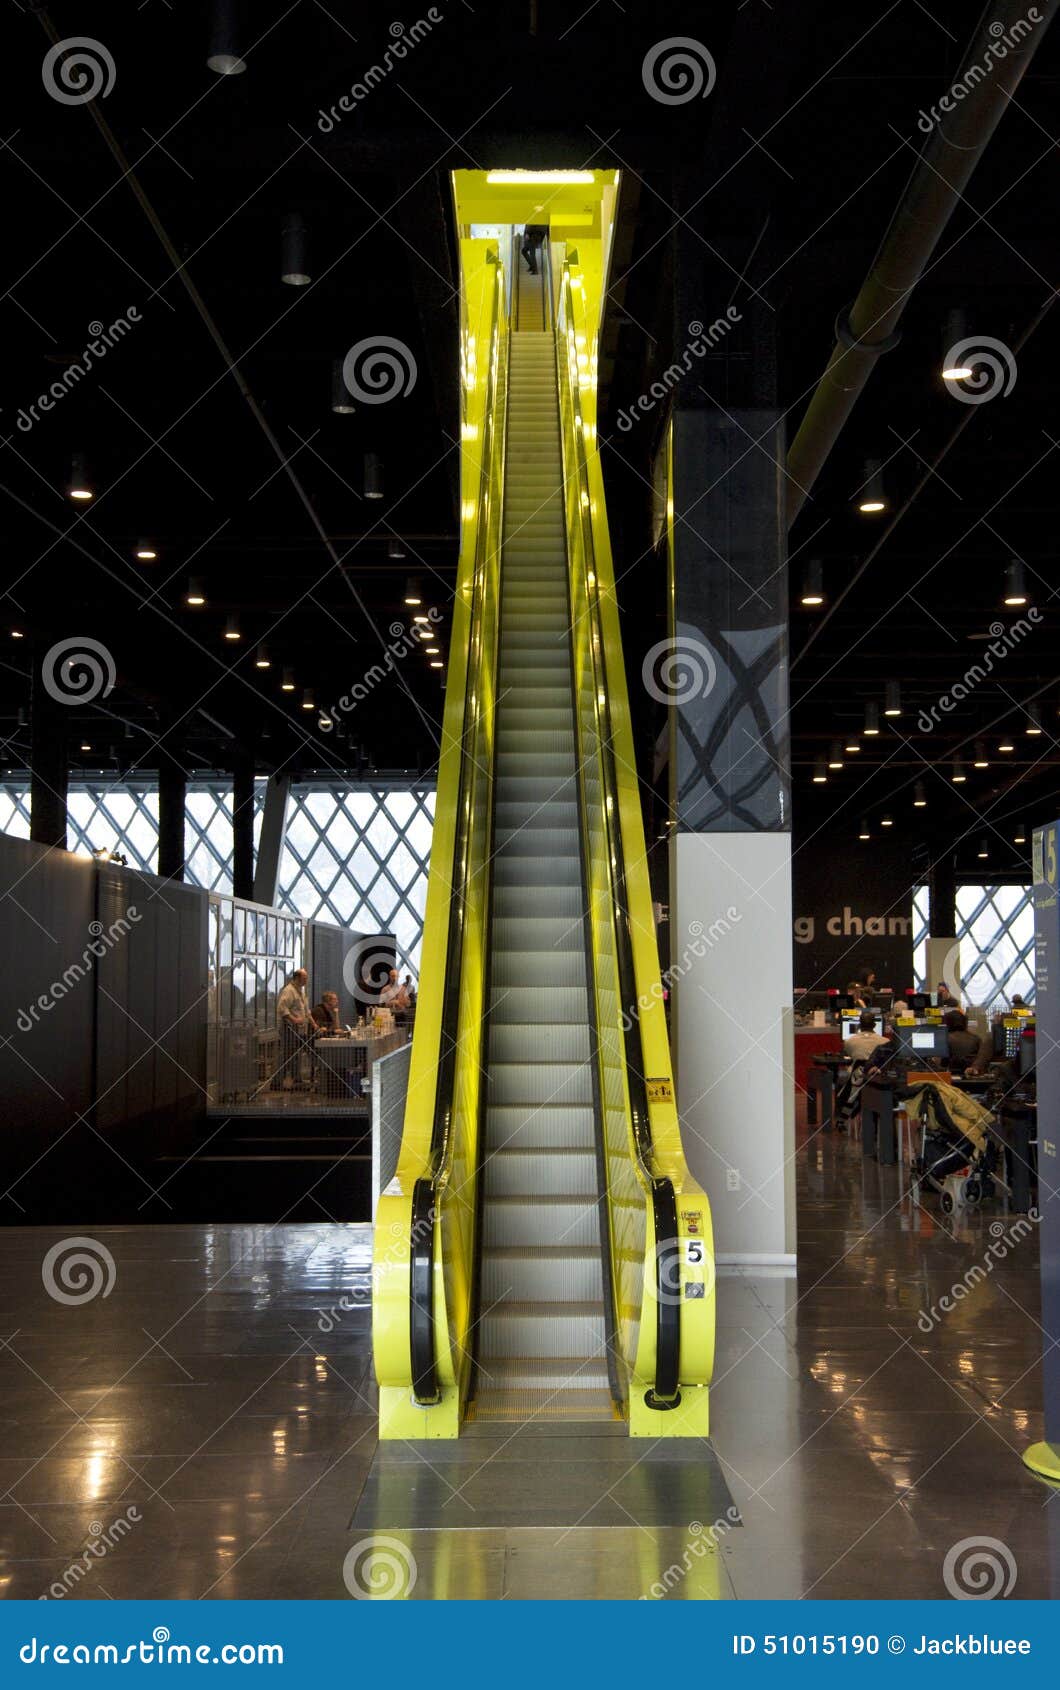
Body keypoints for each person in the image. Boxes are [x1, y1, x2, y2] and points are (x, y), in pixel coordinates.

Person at [277, 967, 310, 1088]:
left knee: (297, 1055)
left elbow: (305, 1010)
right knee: (286, 1055)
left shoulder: (300, 991)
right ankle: (277, 1082)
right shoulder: (289, 991)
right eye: (304, 978)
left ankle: (297, 1080)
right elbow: (282, 1008)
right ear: (297, 978)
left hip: (299, 1029)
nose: (306, 980)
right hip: (289, 1028)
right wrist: (294, 1019)